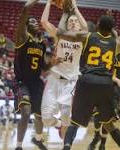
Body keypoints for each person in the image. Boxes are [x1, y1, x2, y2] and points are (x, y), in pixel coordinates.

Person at [60, 15, 120, 150]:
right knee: (109, 125)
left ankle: (67, 147)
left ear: (98, 25)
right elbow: (114, 36)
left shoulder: (87, 37)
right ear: (111, 29)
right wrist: (111, 28)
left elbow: (64, 34)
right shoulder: (117, 44)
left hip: (87, 81)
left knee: (74, 123)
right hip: (105, 84)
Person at [40, 0, 88, 139]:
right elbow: (43, 22)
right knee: (47, 119)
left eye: (75, 21)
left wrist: (75, 8)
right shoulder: (59, 34)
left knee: (67, 113)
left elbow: (86, 28)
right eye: (70, 21)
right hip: (54, 78)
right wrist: (49, 3)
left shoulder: (82, 38)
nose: (73, 22)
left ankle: (65, 145)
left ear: (79, 25)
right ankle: (58, 123)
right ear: (66, 24)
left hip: (70, 80)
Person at [13, 0, 54, 149]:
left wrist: (54, 63)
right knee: (26, 111)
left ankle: (37, 139)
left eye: (36, 22)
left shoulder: (41, 44)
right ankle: (18, 146)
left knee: (39, 114)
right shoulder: (22, 37)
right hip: (22, 82)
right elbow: (25, 10)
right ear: (26, 26)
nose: (36, 23)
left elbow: (43, 66)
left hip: (36, 83)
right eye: (32, 22)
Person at [88, 41, 120, 150]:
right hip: (102, 84)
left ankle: (102, 143)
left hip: (116, 88)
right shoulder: (103, 49)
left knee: (108, 118)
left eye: (117, 37)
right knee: (98, 115)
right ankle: (97, 136)